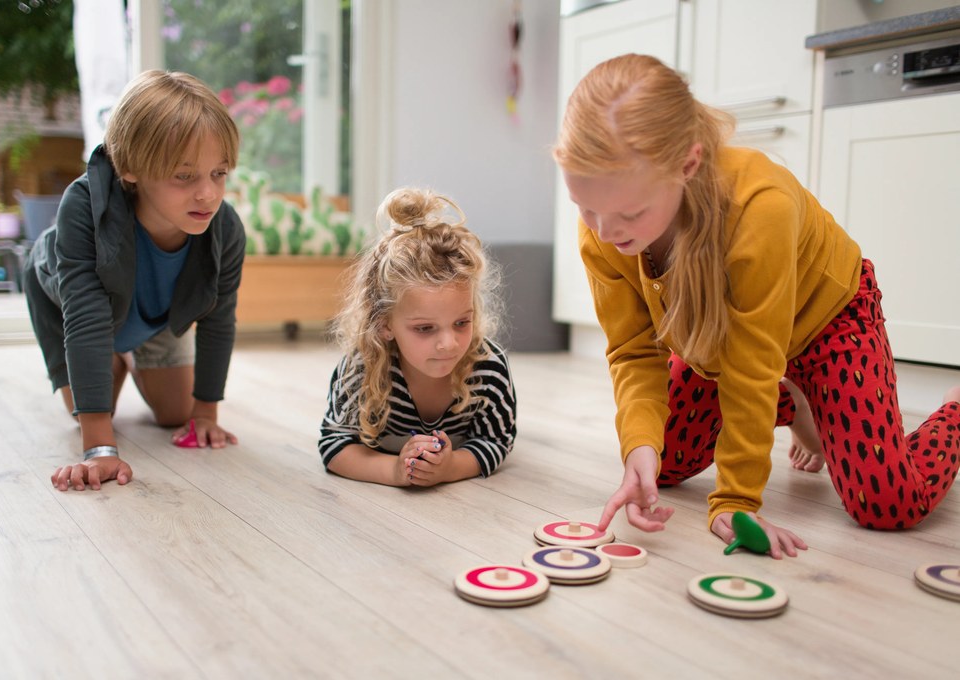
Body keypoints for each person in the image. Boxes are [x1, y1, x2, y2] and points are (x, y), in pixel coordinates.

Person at [553, 54, 960, 558]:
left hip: (828, 322)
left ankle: (954, 408)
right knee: (666, 461)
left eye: (629, 213)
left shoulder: (761, 205)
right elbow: (635, 352)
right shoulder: (602, 230)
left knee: (888, 502)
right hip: (724, 343)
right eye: (584, 207)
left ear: (688, 165)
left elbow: (751, 364)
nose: (604, 232)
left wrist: (735, 500)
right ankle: (796, 401)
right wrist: (637, 449)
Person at [24, 70, 246, 492]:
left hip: (156, 312)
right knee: (89, 408)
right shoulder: (83, 207)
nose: (208, 195)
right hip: (76, 306)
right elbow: (86, 319)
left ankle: (126, 355)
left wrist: (206, 414)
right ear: (129, 168)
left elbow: (219, 319)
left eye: (218, 174)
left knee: (175, 414)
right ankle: (113, 356)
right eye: (184, 176)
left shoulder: (225, 228)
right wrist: (99, 449)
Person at [318, 187, 517, 486]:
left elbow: (496, 441)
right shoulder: (362, 369)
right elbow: (335, 445)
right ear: (384, 324)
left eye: (462, 322)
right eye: (425, 328)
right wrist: (395, 470)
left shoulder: (488, 367)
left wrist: (452, 467)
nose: (449, 343)